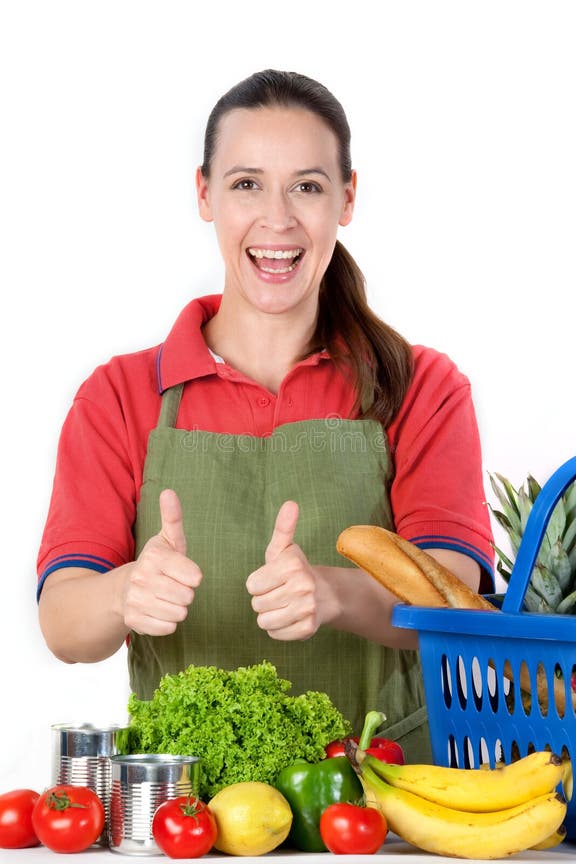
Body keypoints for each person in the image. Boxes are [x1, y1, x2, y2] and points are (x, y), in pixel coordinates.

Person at [37, 69, 493, 762]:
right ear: (204, 195)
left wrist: (336, 594)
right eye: (246, 183)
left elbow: (453, 599)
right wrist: (125, 594)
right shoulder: (121, 395)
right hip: (190, 811)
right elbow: (63, 622)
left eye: (307, 186)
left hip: (385, 806)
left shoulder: (420, 386)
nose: (277, 219)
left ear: (346, 198)